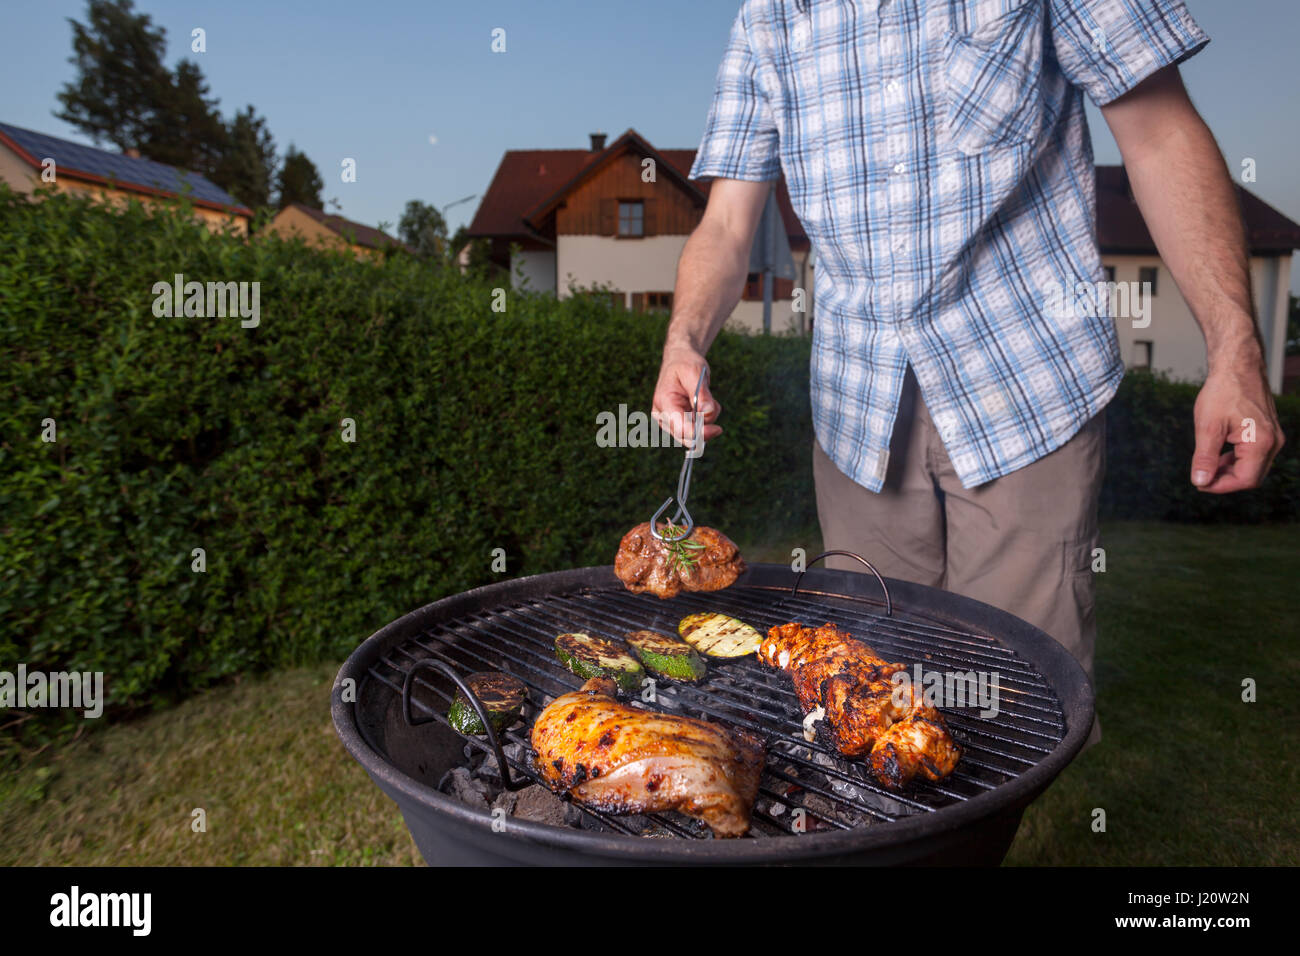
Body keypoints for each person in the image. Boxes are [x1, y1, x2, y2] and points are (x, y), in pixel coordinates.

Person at [651, 0, 1284, 745]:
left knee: (1015, 699)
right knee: (865, 685)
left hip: (1025, 386)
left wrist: (1235, 351)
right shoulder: (771, 14)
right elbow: (727, 222)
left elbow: (1160, 134)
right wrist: (684, 340)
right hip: (858, 410)